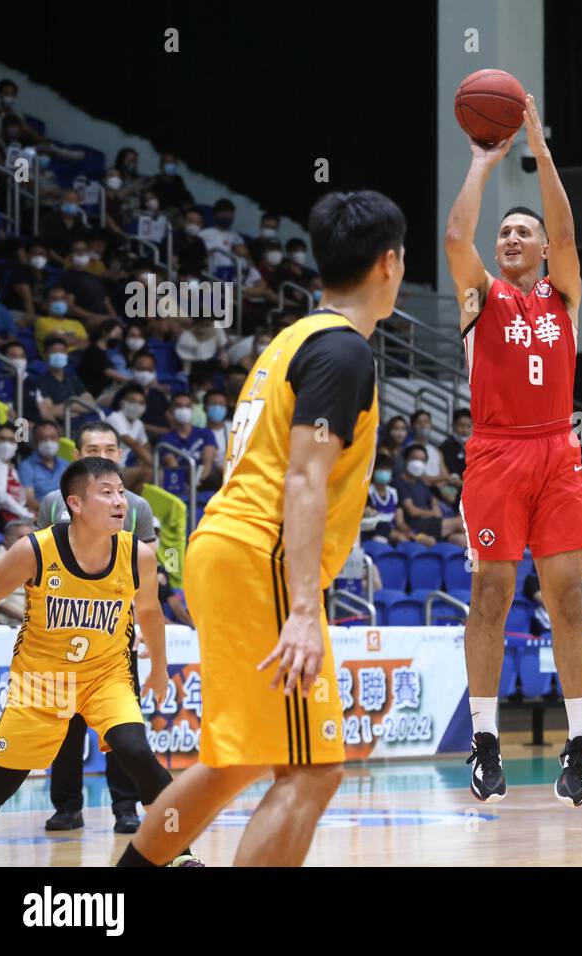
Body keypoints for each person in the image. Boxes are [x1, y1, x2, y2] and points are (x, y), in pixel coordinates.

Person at [124, 189, 402, 868]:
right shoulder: (343, 353)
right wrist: (304, 610)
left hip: (223, 546)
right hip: (261, 557)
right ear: (390, 265)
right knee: (313, 769)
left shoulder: (290, 340)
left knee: (235, 758)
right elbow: (303, 478)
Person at [445, 95, 582, 807]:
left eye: (520, 231)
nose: (508, 238)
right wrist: (481, 162)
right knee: (491, 595)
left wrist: (539, 141)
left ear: (540, 249)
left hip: (557, 452)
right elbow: (453, 236)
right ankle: (484, 743)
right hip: (496, 453)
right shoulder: (482, 297)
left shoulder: (563, 295)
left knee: (567, 599)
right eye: (502, 231)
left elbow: (565, 230)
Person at [0, 457, 198, 865]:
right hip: (42, 684)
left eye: (121, 492)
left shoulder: (138, 556)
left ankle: (180, 854)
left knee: (135, 751)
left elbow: (149, 612)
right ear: (75, 503)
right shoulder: (35, 550)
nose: (120, 501)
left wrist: (161, 669)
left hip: (105, 677)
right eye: (106, 492)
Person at [34, 420, 158, 832]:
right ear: (76, 454)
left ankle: (126, 808)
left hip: (114, 641)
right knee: (63, 727)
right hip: (61, 639)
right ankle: (66, 806)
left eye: (109, 450)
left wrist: (140, 626)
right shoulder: (54, 502)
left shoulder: (136, 506)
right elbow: (38, 562)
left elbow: (148, 574)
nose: (101, 457)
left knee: (122, 731)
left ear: (120, 456)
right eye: (93, 450)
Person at [393, 444, 466, 547]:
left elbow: (434, 503)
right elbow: (412, 511)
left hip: (433, 524)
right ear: (406, 460)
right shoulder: (399, 483)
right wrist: (432, 513)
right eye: (414, 458)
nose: (418, 462)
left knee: (461, 540)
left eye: (422, 460)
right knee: (461, 522)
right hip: (416, 525)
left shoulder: (421, 483)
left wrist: (434, 510)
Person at [158, 392, 219, 501]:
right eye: (179, 406)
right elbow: (173, 465)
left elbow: (208, 462)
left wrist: (198, 481)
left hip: (205, 479)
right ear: (171, 411)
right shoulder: (166, 438)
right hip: (181, 481)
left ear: (192, 409)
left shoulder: (205, 433)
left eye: (187, 406)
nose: (184, 410)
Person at [16, 420, 67, 504]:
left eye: (52, 437)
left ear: (58, 440)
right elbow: (30, 501)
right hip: (42, 514)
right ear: (35, 442)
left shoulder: (66, 465)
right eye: (42, 438)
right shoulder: (26, 467)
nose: (48, 442)